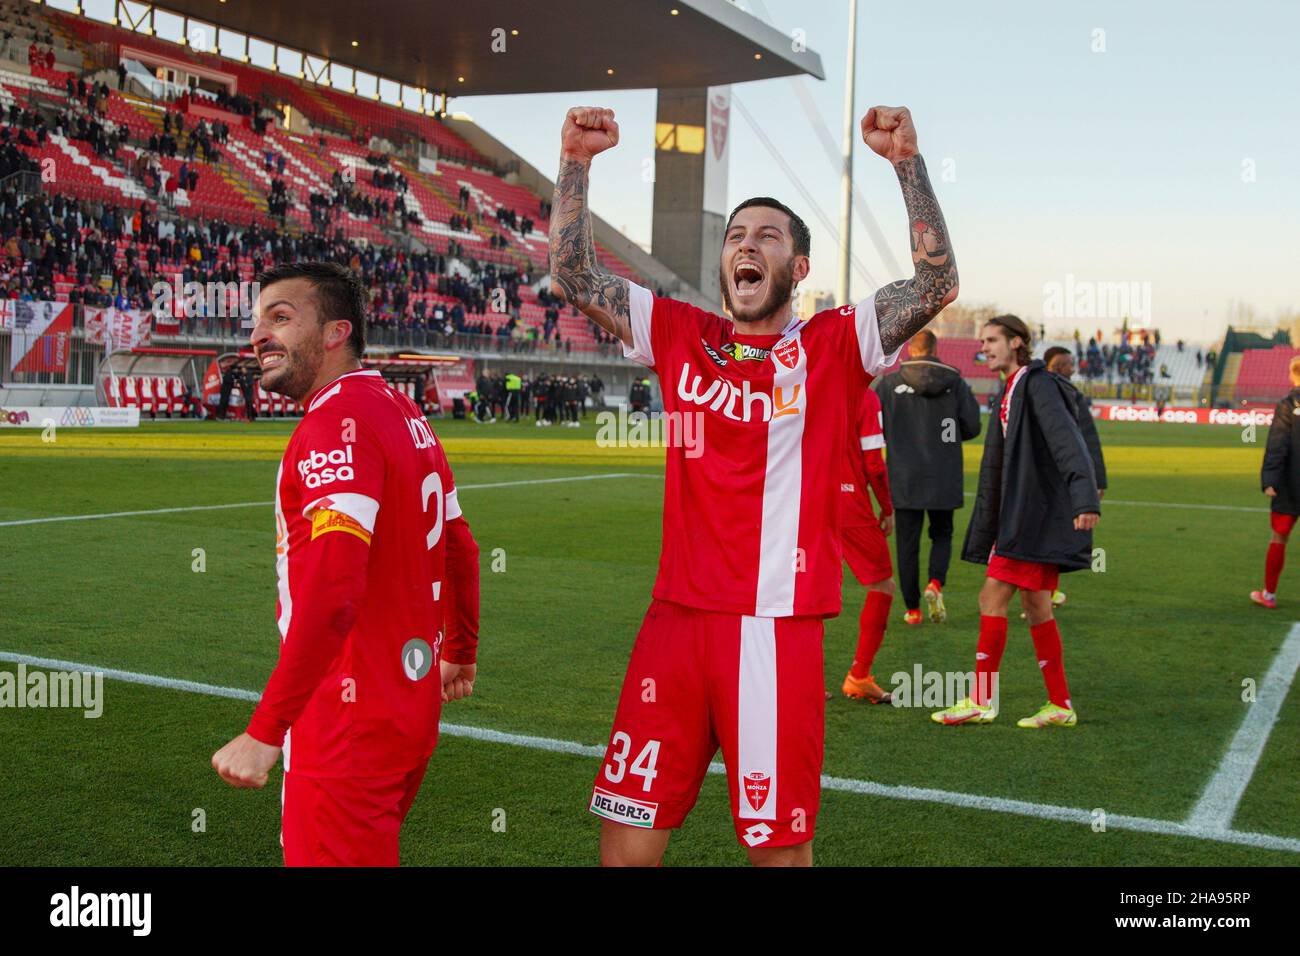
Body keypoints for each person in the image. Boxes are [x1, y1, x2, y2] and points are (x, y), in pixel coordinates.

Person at [550, 104, 957, 865]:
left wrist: (905, 162)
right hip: (672, 625)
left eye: (768, 236)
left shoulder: (837, 343)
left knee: (776, 851)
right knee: (625, 839)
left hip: (774, 632)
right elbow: (573, 273)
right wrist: (575, 161)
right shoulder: (679, 334)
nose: (747, 245)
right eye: (737, 236)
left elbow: (937, 282)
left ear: (797, 269)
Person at [211, 262, 481, 866]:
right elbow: (461, 546)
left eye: (280, 317)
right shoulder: (404, 412)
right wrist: (461, 649)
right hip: (408, 705)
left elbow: (334, 589)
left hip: (346, 717)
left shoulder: (336, 423)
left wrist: (266, 730)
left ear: (336, 333)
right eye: (257, 320)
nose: (258, 335)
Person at [932, 315, 1099, 729]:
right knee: (1037, 605)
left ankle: (981, 699)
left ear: (1017, 342)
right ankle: (1060, 704)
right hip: (1023, 515)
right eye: (982, 341)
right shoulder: (1014, 386)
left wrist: (1083, 497)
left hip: (1032, 517)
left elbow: (1067, 441)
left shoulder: (1037, 385)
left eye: (992, 340)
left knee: (991, 599)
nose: (984, 347)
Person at [875, 329, 979, 624]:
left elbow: (873, 425)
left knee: (907, 543)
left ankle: (913, 609)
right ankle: (935, 583)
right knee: (941, 534)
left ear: (910, 350)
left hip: (904, 475)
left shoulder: (889, 384)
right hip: (943, 474)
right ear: (935, 349)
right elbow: (972, 426)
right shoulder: (955, 383)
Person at [838, 383, 896, 703]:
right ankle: (859, 674)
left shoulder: (812, 382)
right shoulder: (864, 395)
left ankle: (796, 679)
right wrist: (887, 508)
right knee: (882, 586)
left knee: (806, 594)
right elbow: (875, 463)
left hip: (804, 500)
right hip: (848, 502)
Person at [1042, 345, 1108, 609]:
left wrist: (1098, 479)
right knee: (1049, 535)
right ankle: (1042, 593)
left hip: (1056, 477)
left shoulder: (1069, 396)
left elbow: (1088, 440)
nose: (1074, 368)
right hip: (1052, 478)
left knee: (1051, 535)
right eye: (1069, 364)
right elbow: (1088, 440)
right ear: (1057, 367)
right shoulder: (1058, 396)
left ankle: (1047, 592)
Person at [1251, 355, 1300, 609]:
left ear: (1292, 375)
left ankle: (1268, 594)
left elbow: (1277, 445)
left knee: (1279, 537)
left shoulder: (1287, 404)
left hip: (1289, 483)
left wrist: (1269, 479)